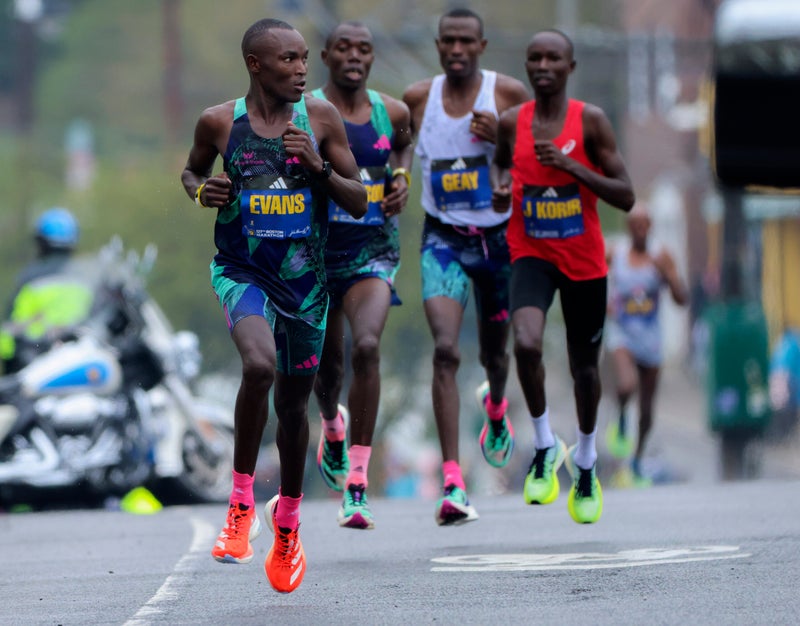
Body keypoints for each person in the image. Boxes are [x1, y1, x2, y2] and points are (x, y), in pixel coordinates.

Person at [180, 18, 366, 594]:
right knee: (258, 365)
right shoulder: (220, 122)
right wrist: (198, 190)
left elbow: (359, 200)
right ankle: (240, 505)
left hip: (305, 284)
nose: (301, 69)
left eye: (304, 58)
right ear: (255, 65)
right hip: (242, 271)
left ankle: (286, 523)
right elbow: (192, 171)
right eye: (287, 59)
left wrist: (318, 167)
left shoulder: (322, 120)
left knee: (293, 408)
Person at [491, 29, 635, 524]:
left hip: (584, 261)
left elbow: (626, 194)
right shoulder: (513, 123)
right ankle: (545, 444)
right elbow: (498, 169)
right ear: (528, 67)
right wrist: (500, 188)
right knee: (526, 344)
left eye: (554, 57)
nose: (543, 65)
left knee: (584, 368)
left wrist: (573, 166)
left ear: (570, 67)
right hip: (530, 251)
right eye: (535, 57)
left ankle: (588, 459)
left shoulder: (589, 121)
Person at [402, 8, 530, 526]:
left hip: (498, 240)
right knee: (447, 351)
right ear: (438, 45)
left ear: (481, 45)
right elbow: (401, 146)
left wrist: (501, 137)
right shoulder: (418, 98)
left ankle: (496, 408)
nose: (456, 50)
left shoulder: (509, 96)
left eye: (465, 42)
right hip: (444, 240)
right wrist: (400, 178)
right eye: (447, 41)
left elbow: (532, 157)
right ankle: (453, 479)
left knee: (497, 355)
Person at [309, 21, 413, 530]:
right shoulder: (304, 112)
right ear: (325, 55)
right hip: (315, 255)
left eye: (364, 49)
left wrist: (402, 180)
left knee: (366, 347)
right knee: (324, 373)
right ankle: (332, 426)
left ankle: (357, 481)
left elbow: (402, 149)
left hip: (373, 248)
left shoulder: (390, 111)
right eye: (344, 48)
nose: (354, 56)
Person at [604, 203, 688, 486]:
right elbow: (593, 279)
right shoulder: (616, 254)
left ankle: (638, 458)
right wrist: (606, 306)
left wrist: (669, 276)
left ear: (650, 227)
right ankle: (621, 421)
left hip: (651, 339)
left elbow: (682, 299)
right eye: (635, 224)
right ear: (629, 227)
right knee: (627, 384)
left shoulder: (661, 255)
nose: (640, 229)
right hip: (623, 334)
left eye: (645, 224)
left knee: (648, 408)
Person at [0, 208, 93, 374]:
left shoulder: (29, 279)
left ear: (41, 242)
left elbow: (8, 336)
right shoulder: (86, 279)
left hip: (34, 366)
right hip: (80, 364)